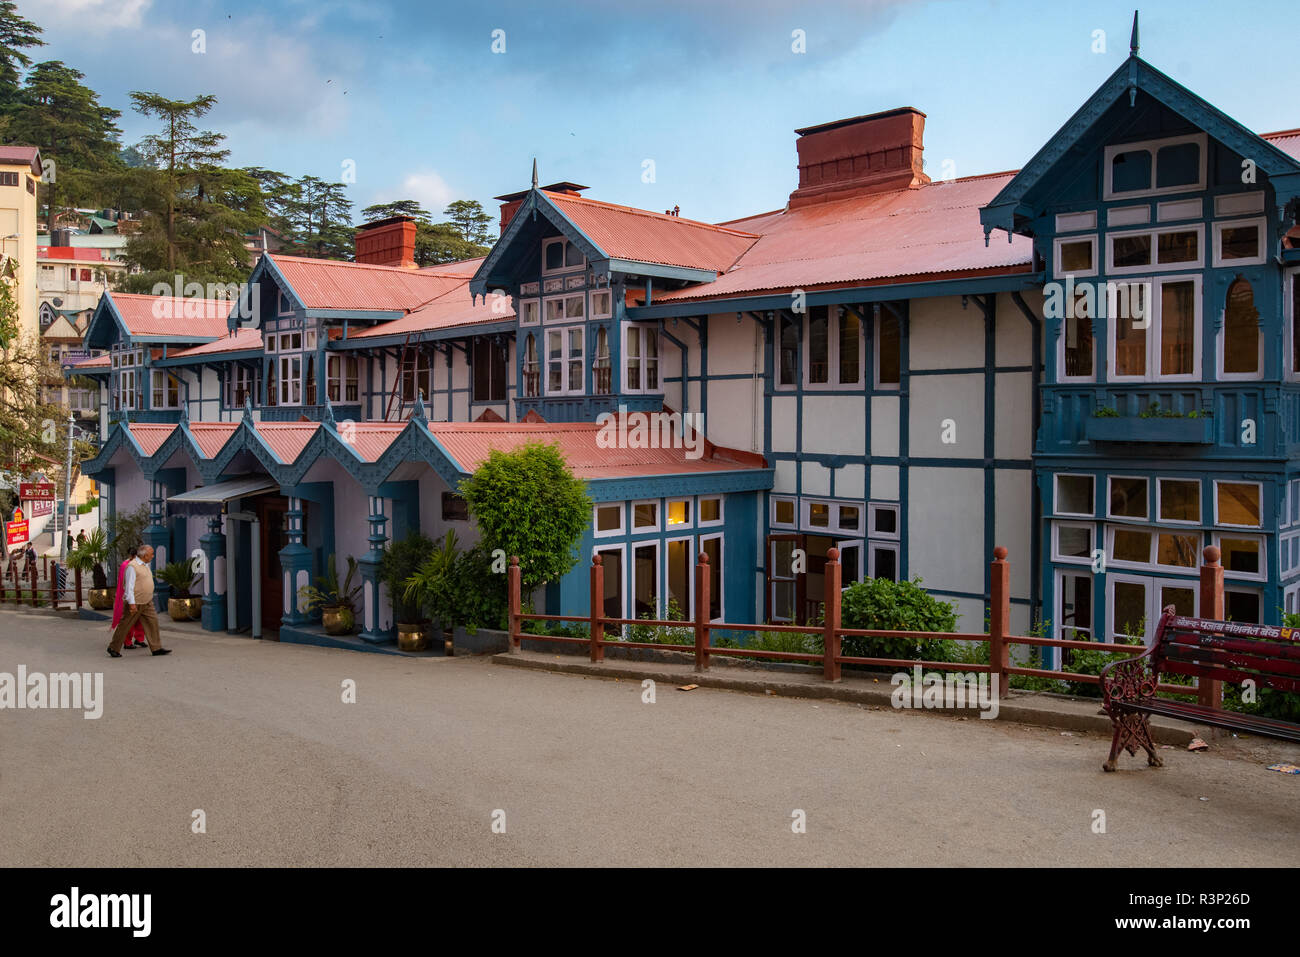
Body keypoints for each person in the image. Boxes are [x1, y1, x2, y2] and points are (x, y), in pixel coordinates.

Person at [106, 544, 172, 658]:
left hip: (147, 601)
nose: (153, 556)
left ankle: (156, 648)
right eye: (151, 554)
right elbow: (129, 587)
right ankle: (113, 647)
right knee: (125, 625)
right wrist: (131, 604)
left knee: (153, 623)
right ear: (145, 555)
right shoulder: (132, 566)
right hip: (135, 602)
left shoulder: (145, 565)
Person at [109, 551, 147, 649]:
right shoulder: (126, 566)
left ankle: (139, 639)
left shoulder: (140, 564)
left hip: (140, 596)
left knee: (140, 620)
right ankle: (127, 642)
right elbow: (126, 584)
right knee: (129, 621)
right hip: (131, 597)